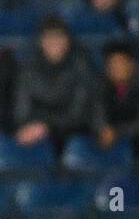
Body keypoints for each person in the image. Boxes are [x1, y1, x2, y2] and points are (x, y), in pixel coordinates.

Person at [12, 15, 94, 147]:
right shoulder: (28, 68)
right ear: (41, 42)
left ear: (67, 41)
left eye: (59, 38)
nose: (54, 43)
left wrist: (46, 127)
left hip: (73, 137)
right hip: (33, 134)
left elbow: (78, 114)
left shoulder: (81, 66)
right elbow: (21, 111)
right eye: (49, 38)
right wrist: (35, 127)